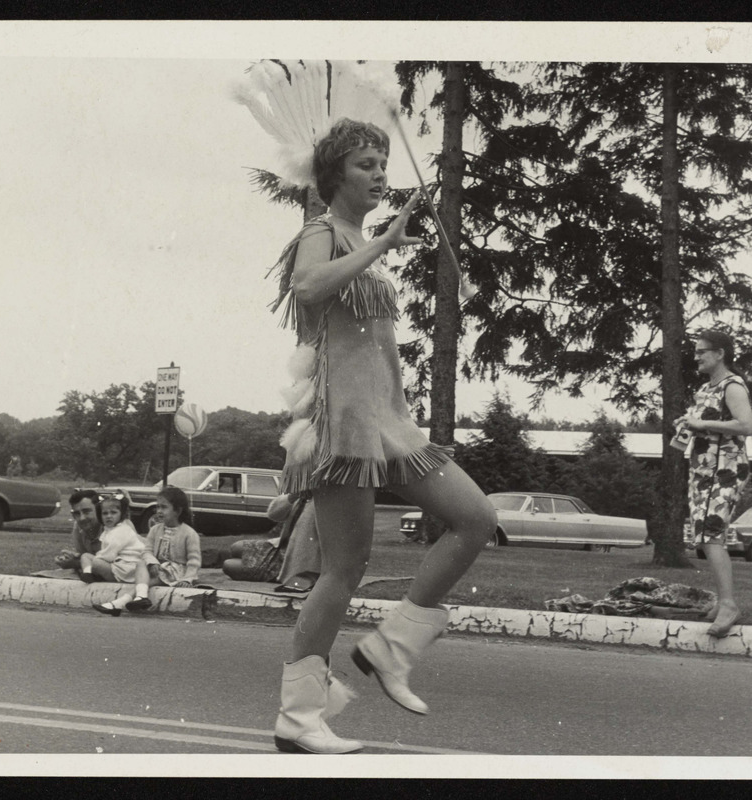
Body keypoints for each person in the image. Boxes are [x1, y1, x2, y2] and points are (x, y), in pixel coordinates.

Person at [266, 118, 496, 754]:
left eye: (383, 164)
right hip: (342, 425)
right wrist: (384, 246)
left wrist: (378, 243)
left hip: (390, 422)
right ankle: (299, 716)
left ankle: (392, 648)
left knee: (475, 518)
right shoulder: (320, 232)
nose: (380, 175)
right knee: (343, 569)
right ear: (335, 172)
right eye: (366, 164)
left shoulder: (358, 236)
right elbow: (307, 287)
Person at [673, 330, 752, 638]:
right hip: (704, 470)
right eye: (695, 352)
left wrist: (702, 424)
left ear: (720, 353)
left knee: (711, 533)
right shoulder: (706, 388)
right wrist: (687, 424)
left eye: (702, 352)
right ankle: (723, 601)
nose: (696, 357)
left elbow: (746, 425)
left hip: (724, 468)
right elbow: (704, 424)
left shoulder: (732, 385)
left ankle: (728, 604)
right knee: (708, 535)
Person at [83, 493, 152, 615]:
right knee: (86, 556)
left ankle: (93, 573)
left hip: (129, 567)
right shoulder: (109, 530)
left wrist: (97, 560)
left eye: (113, 513)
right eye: (105, 513)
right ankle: (88, 574)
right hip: (122, 564)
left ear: (121, 514)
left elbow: (109, 555)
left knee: (96, 562)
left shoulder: (121, 530)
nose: (109, 516)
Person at [143, 487, 202, 588]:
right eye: (158, 507)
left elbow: (194, 561)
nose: (159, 511)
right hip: (156, 568)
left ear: (178, 511)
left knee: (145, 582)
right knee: (139, 567)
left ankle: (133, 597)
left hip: (175, 572)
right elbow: (147, 551)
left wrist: (187, 579)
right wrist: (152, 562)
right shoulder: (154, 530)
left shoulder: (189, 533)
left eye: (164, 507)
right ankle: (138, 595)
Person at [54, 489, 105, 572]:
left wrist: (76, 563)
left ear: (99, 510)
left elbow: (115, 565)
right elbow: (85, 558)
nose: (82, 518)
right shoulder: (78, 526)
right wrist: (72, 558)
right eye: (77, 513)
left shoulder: (113, 527)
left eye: (86, 512)